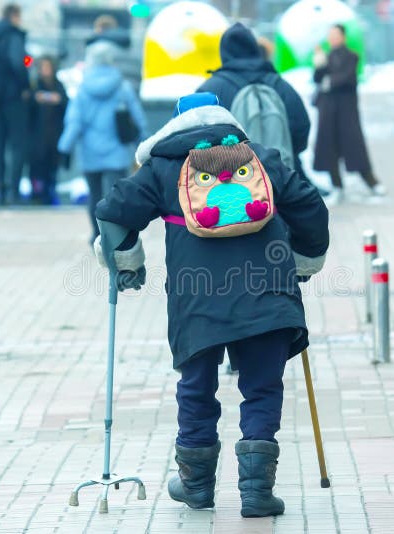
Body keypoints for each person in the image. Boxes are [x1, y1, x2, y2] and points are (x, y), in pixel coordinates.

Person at [94, 94, 329, 517]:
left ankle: (196, 486)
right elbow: (310, 205)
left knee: (197, 386)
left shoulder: (163, 167)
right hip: (267, 289)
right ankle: (257, 492)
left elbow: (113, 212)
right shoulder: (260, 159)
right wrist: (304, 260)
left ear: (176, 124)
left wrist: (128, 263)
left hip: (196, 295)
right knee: (262, 386)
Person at [57, 41, 147, 244]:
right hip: (117, 152)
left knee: (95, 195)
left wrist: (64, 148)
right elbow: (138, 119)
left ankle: (97, 236)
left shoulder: (83, 90)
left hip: (90, 153)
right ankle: (116, 235)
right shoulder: (122, 87)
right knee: (117, 196)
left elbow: (74, 123)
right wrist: (143, 145)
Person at [197, 23, 310, 176]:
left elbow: (196, 137)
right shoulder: (281, 86)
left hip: (226, 181)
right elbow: (301, 128)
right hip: (279, 178)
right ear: (254, 48)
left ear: (223, 52)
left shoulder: (210, 90)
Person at [313, 24, 385, 201]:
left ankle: (372, 182)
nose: (332, 37)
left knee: (354, 145)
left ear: (343, 37)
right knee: (329, 147)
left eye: (336, 34)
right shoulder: (327, 56)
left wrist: (329, 82)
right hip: (328, 109)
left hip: (346, 109)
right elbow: (317, 79)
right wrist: (319, 63)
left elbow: (347, 77)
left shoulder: (351, 56)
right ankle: (336, 185)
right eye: (330, 34)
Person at [0, 3, 30, 205]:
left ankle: (0, 190)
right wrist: (25, 85)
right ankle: (14, 191)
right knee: (17, 145)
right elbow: (18, 62)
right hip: (13, 97)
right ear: (14, 16)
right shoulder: (13, 35)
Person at [29, 56, 67, 205]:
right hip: (38, 136)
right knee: (37, 167)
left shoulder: (58, 85)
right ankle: (37, 194)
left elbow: (64, 102)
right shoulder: (35, 85)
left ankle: (50, 192)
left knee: (53, 166)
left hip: (54, 134)